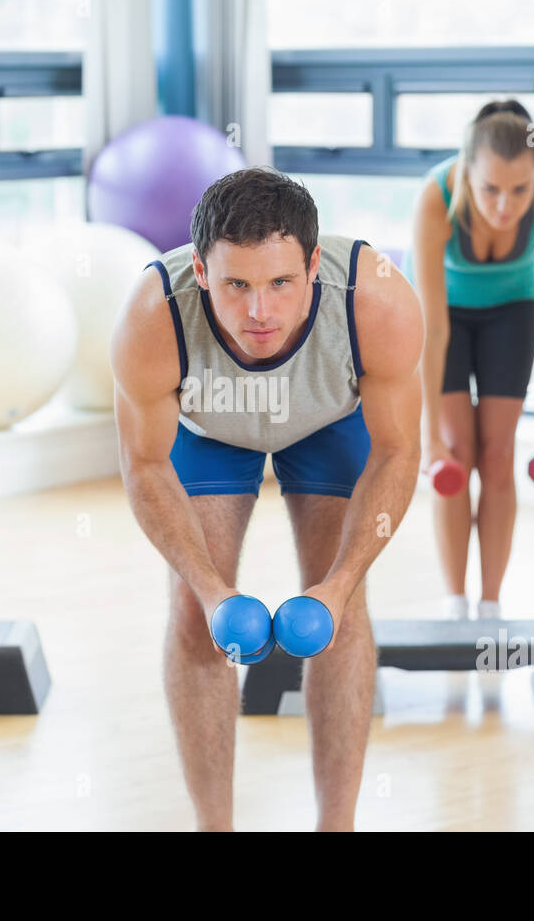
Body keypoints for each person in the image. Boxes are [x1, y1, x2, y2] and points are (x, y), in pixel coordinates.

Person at [111, 167, 422, 830]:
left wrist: (338, 585)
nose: (260, 312)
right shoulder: (152, 316)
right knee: (199, 621)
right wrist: (211, 589)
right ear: (199, 269)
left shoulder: (377, 302)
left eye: (281, 283)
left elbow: (397, 453)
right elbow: (144, 466)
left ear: (313, 264)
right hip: (210, 427)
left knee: (339, 615)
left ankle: (337, 825)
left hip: (329, 416)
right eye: (236, 285)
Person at [408, 99, 534, 619]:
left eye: (519, 190)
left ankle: (490, 607)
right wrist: (427, 433)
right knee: (457, 451)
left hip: (513, 310)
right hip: (449, 316)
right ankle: (455, 602)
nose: (505, 205)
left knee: (498, 454)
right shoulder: (436, 198)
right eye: (490, 189)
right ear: (467, 172)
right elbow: (431, 329)